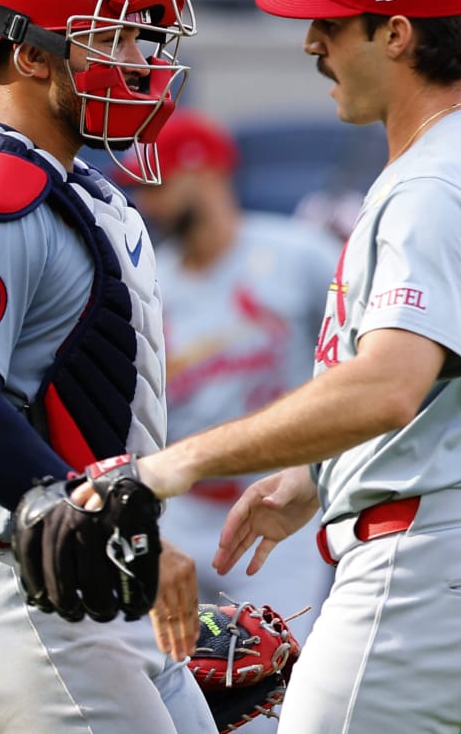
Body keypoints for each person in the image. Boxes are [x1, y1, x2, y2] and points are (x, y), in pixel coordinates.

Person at [74, 0, 461, 732]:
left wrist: (173, 466)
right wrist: (317, 476)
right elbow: (434, 390)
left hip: (427, 571)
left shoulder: (434, 183)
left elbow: (388, 386)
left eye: (333, 24)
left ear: (397, 33)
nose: (312, 44)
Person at [0, 0, 209, 731]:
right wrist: (98, 522)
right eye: (110, 40)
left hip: (92, 575)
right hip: (20, 580)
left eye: (138, 40)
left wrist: (127, 545)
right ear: (32, 56)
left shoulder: (84, 192)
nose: (136, 63)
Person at [128, 109, 338, 645]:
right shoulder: (149, 282)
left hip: (276, 503)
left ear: (204, 173)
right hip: (180, 510)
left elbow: (363, 358)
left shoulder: (300, 254)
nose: (146, 202)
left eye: (158, 184)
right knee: (172, 674)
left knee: (274, 671)